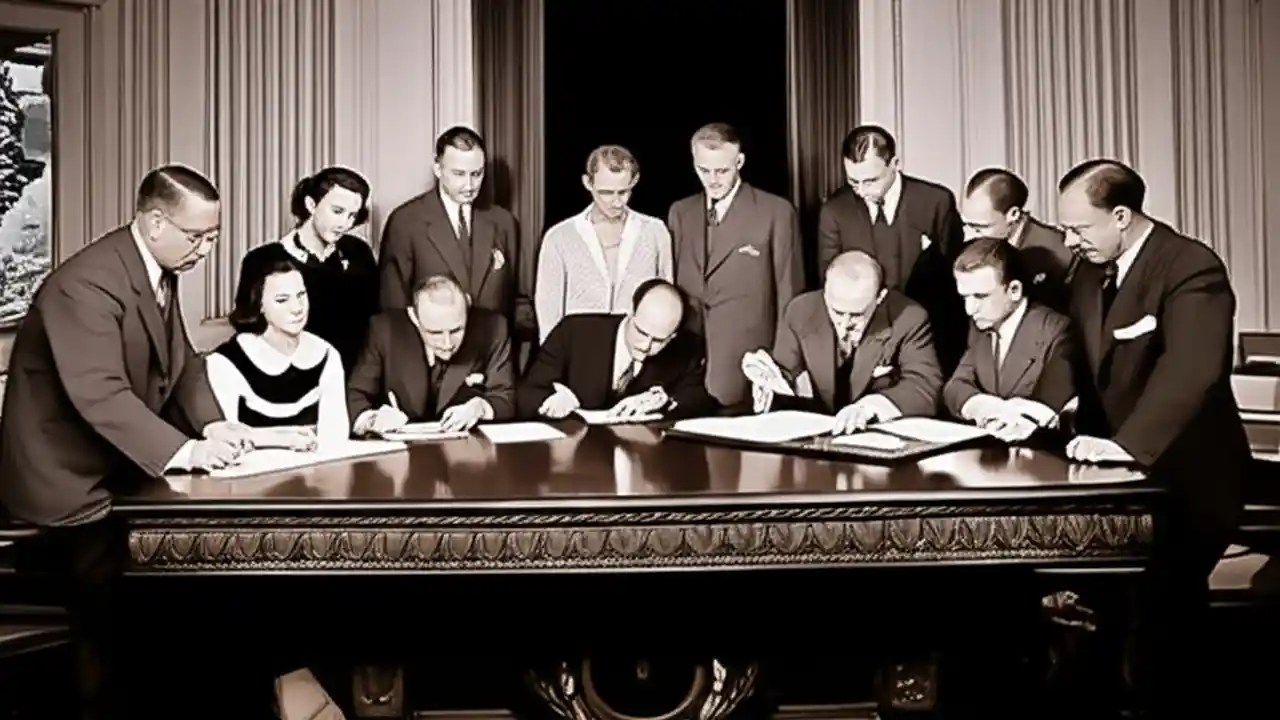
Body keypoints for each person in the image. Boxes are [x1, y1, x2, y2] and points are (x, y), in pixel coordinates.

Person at [0, 164, 252, 716]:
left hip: (121, 472)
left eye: (214, 236)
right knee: (115, 621)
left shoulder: (159, 264)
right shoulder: (86, 284)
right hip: (67, 486)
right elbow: (102, 396)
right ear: (155, 222)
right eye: (197, 236)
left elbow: (182, 363)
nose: (207, 249)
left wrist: (212, 424)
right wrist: (187, 451)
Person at [1057, 158, 1247, 715]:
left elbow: (1191, 370)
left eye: (1080, 228)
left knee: (1165, 616)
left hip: (1189, 480)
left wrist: (1125, 446)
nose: (1068, 240)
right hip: (1119, 479)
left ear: (1121, 216)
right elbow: (1076, 354)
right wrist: (1035, 409)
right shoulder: (1090, 268)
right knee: (1103, 615)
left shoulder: (1191, 266)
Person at [667, 122, 803, 408]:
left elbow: (790, 296)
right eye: (704, 170)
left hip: (747, 365)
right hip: (687, 366)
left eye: (722, 171)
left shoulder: (776, 212)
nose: (713, 180)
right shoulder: (680, 212)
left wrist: (782, 368)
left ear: (739, 162)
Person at [816, 125, 966, 374]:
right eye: (854, 182)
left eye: (871, 181)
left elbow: (953, 282)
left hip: (929, 339)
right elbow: (830, 281)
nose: (862, 192)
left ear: (894, 163)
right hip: (868, 341)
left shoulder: (936, 201)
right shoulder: (835, 211)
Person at [744, 250, 942, 435]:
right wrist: (768, 385)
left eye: (856, 315)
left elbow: (925, 387)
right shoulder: (800, 311)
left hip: (877, 438)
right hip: (817, 438)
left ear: (880, 298)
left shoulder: (909, 318)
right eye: (837, 312)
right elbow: (786, 371)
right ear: (826, 293)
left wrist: (868, 408)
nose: (845, 325)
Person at [377, 126, 534, 342]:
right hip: (431, 362)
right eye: (459, 174)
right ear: (438, 168)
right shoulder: (405, 222)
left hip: (492, 361)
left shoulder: (504, 222)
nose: (469, 185)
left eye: (476, 174)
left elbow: (517, 301)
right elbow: (393, 308)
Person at [206, 243, 350, 447]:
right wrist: (279, 439)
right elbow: (223, 441)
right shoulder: (225, 363)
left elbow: (335, 440)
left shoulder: (327, 355)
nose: (297, 308)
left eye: (301, 295)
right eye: (282, 300)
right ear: (260, 305)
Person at [240, 166, 379, 377]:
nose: (345, 224)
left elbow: (373, 321)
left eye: (352, 215)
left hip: (352, 379)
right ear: (311, 205)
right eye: (337, 212)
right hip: (287, 379)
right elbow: (250, 331)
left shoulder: (359, 253)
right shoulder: (262, 260)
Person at [518, 278, 716, 421]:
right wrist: (555, 401)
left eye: (658, 340)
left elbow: (699, 397)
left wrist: (666, 400)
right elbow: (526, 394)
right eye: (641, 332)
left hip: (643, 462)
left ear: (673, 336)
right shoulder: (574, 332)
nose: (646, 346)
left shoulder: (685, 347)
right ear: (630, 314)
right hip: (577, 461)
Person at [942, 237, 1076, 442]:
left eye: (980, 296)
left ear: (1014, 290)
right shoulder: (983, 324)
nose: (970, 309)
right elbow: (955, 387)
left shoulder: (1056, 330)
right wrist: (984, 407)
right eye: (965, 297)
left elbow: (1051, 407)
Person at [535, 145, 673, 342]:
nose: (616, 202)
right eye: (606, 193)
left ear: (635, 181)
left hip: (639, 354)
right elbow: (548, 312)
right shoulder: (559, 238)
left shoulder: (655, 232)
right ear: (587, 183)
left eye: (623, 192)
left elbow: (666, 303)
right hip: (579, 352)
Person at [348, 275, 515, 435]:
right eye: (435, 333)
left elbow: (506, 399)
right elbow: (354, 396)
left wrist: (481, 408)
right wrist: (372, 419)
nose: (447, 343)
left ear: (468, 307)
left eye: (456, 330)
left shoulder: (494, 328)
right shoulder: (384, 331)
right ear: (414, 317)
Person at [959, 167, 1075, 312]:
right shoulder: (974, 246)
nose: (972, 235)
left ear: (1013, 214)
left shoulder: (1058, 251)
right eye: (968, 225)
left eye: (981, 227)